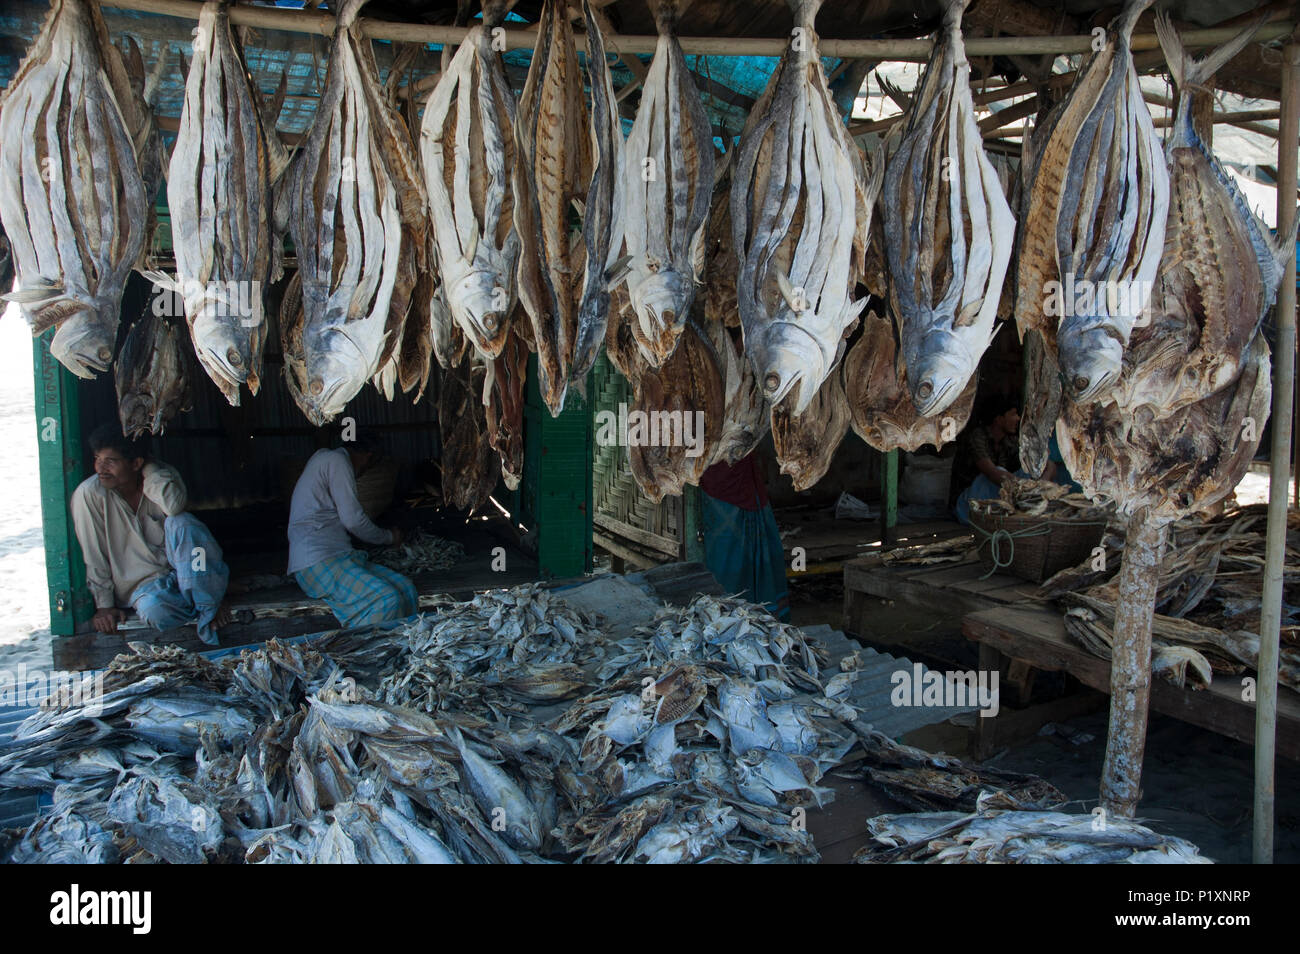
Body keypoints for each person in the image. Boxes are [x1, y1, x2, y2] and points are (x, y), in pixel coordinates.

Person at [71, 424, 231, 644]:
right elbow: (93, 554)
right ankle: (207, 605)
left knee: (184, 524)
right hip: (144, 588)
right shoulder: (89, 494)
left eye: (111, 461)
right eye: (98, 458)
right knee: (156, 612)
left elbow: (174, 506)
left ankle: (207, 602)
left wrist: (149, 471)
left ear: (137, 463)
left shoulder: (159, 477)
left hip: (185, 572)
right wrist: (104, 605)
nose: (100, 467)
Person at [287, 430, 417, 627]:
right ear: (368, 457)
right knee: (385, 600)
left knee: (406, 589)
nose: (365, 472)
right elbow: (353, 521)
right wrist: (389, 537)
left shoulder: (326, 458)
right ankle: (366, 653)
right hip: (316, 561)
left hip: (338, 557)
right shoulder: (337, 461)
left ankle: (408, 649)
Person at [699, 449, 790, 621]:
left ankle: (758, 619)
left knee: (747, 551)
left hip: (742, 478)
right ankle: (727, 618)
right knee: (727, 556)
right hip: (717, 482)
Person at [951, 398, 1023, 525]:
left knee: (1026, 473)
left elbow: (1046, 465)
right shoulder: (977, 436)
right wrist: (1026, 486)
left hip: (991, 500)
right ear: (999, 419)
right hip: (967, 502)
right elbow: (991, 472)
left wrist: (1038, 487)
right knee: (1000, 473)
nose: (1018, 419)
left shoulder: (1010, 441)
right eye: (1013, 414)